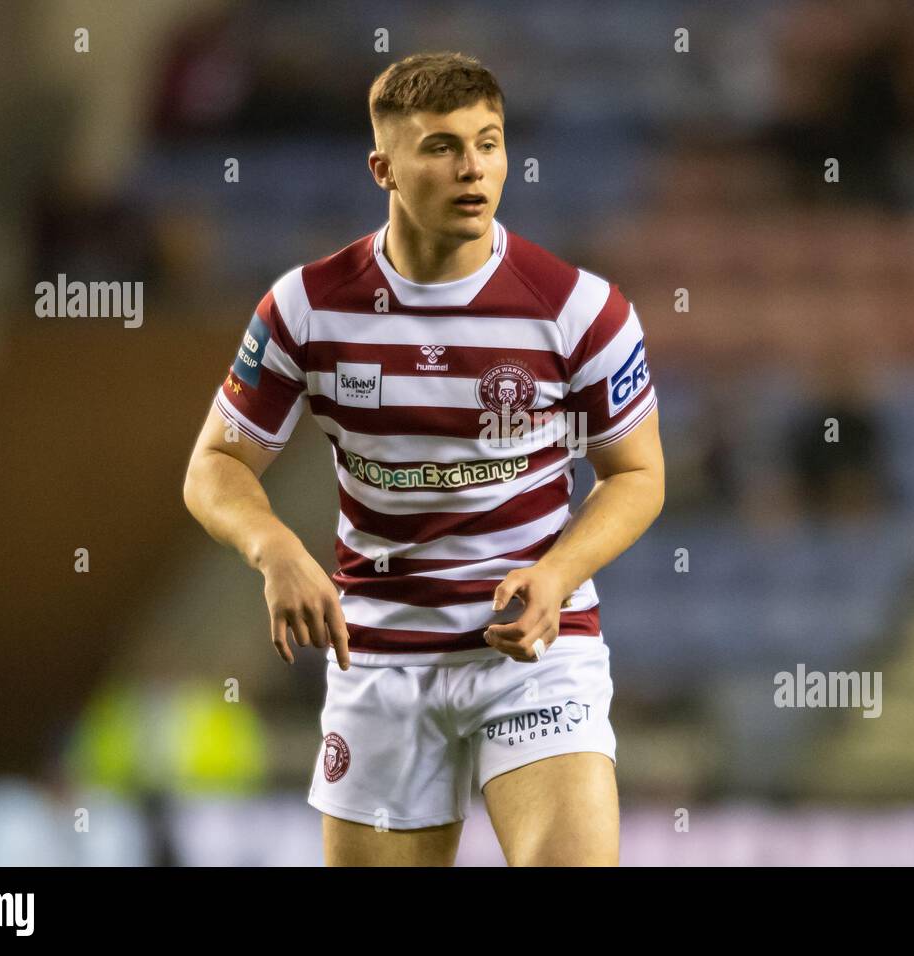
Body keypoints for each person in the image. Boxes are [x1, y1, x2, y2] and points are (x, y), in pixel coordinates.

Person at [182, 51, 664, 866]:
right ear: (385, 169)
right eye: (442, 147)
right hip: (379, 655)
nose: (473, 168)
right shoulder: (307, 307)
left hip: (532, 653)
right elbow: (215, 466)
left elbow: (638, 475)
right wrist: (275, 550)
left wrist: (556, 575)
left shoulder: (580, 309)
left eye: (489, 143)